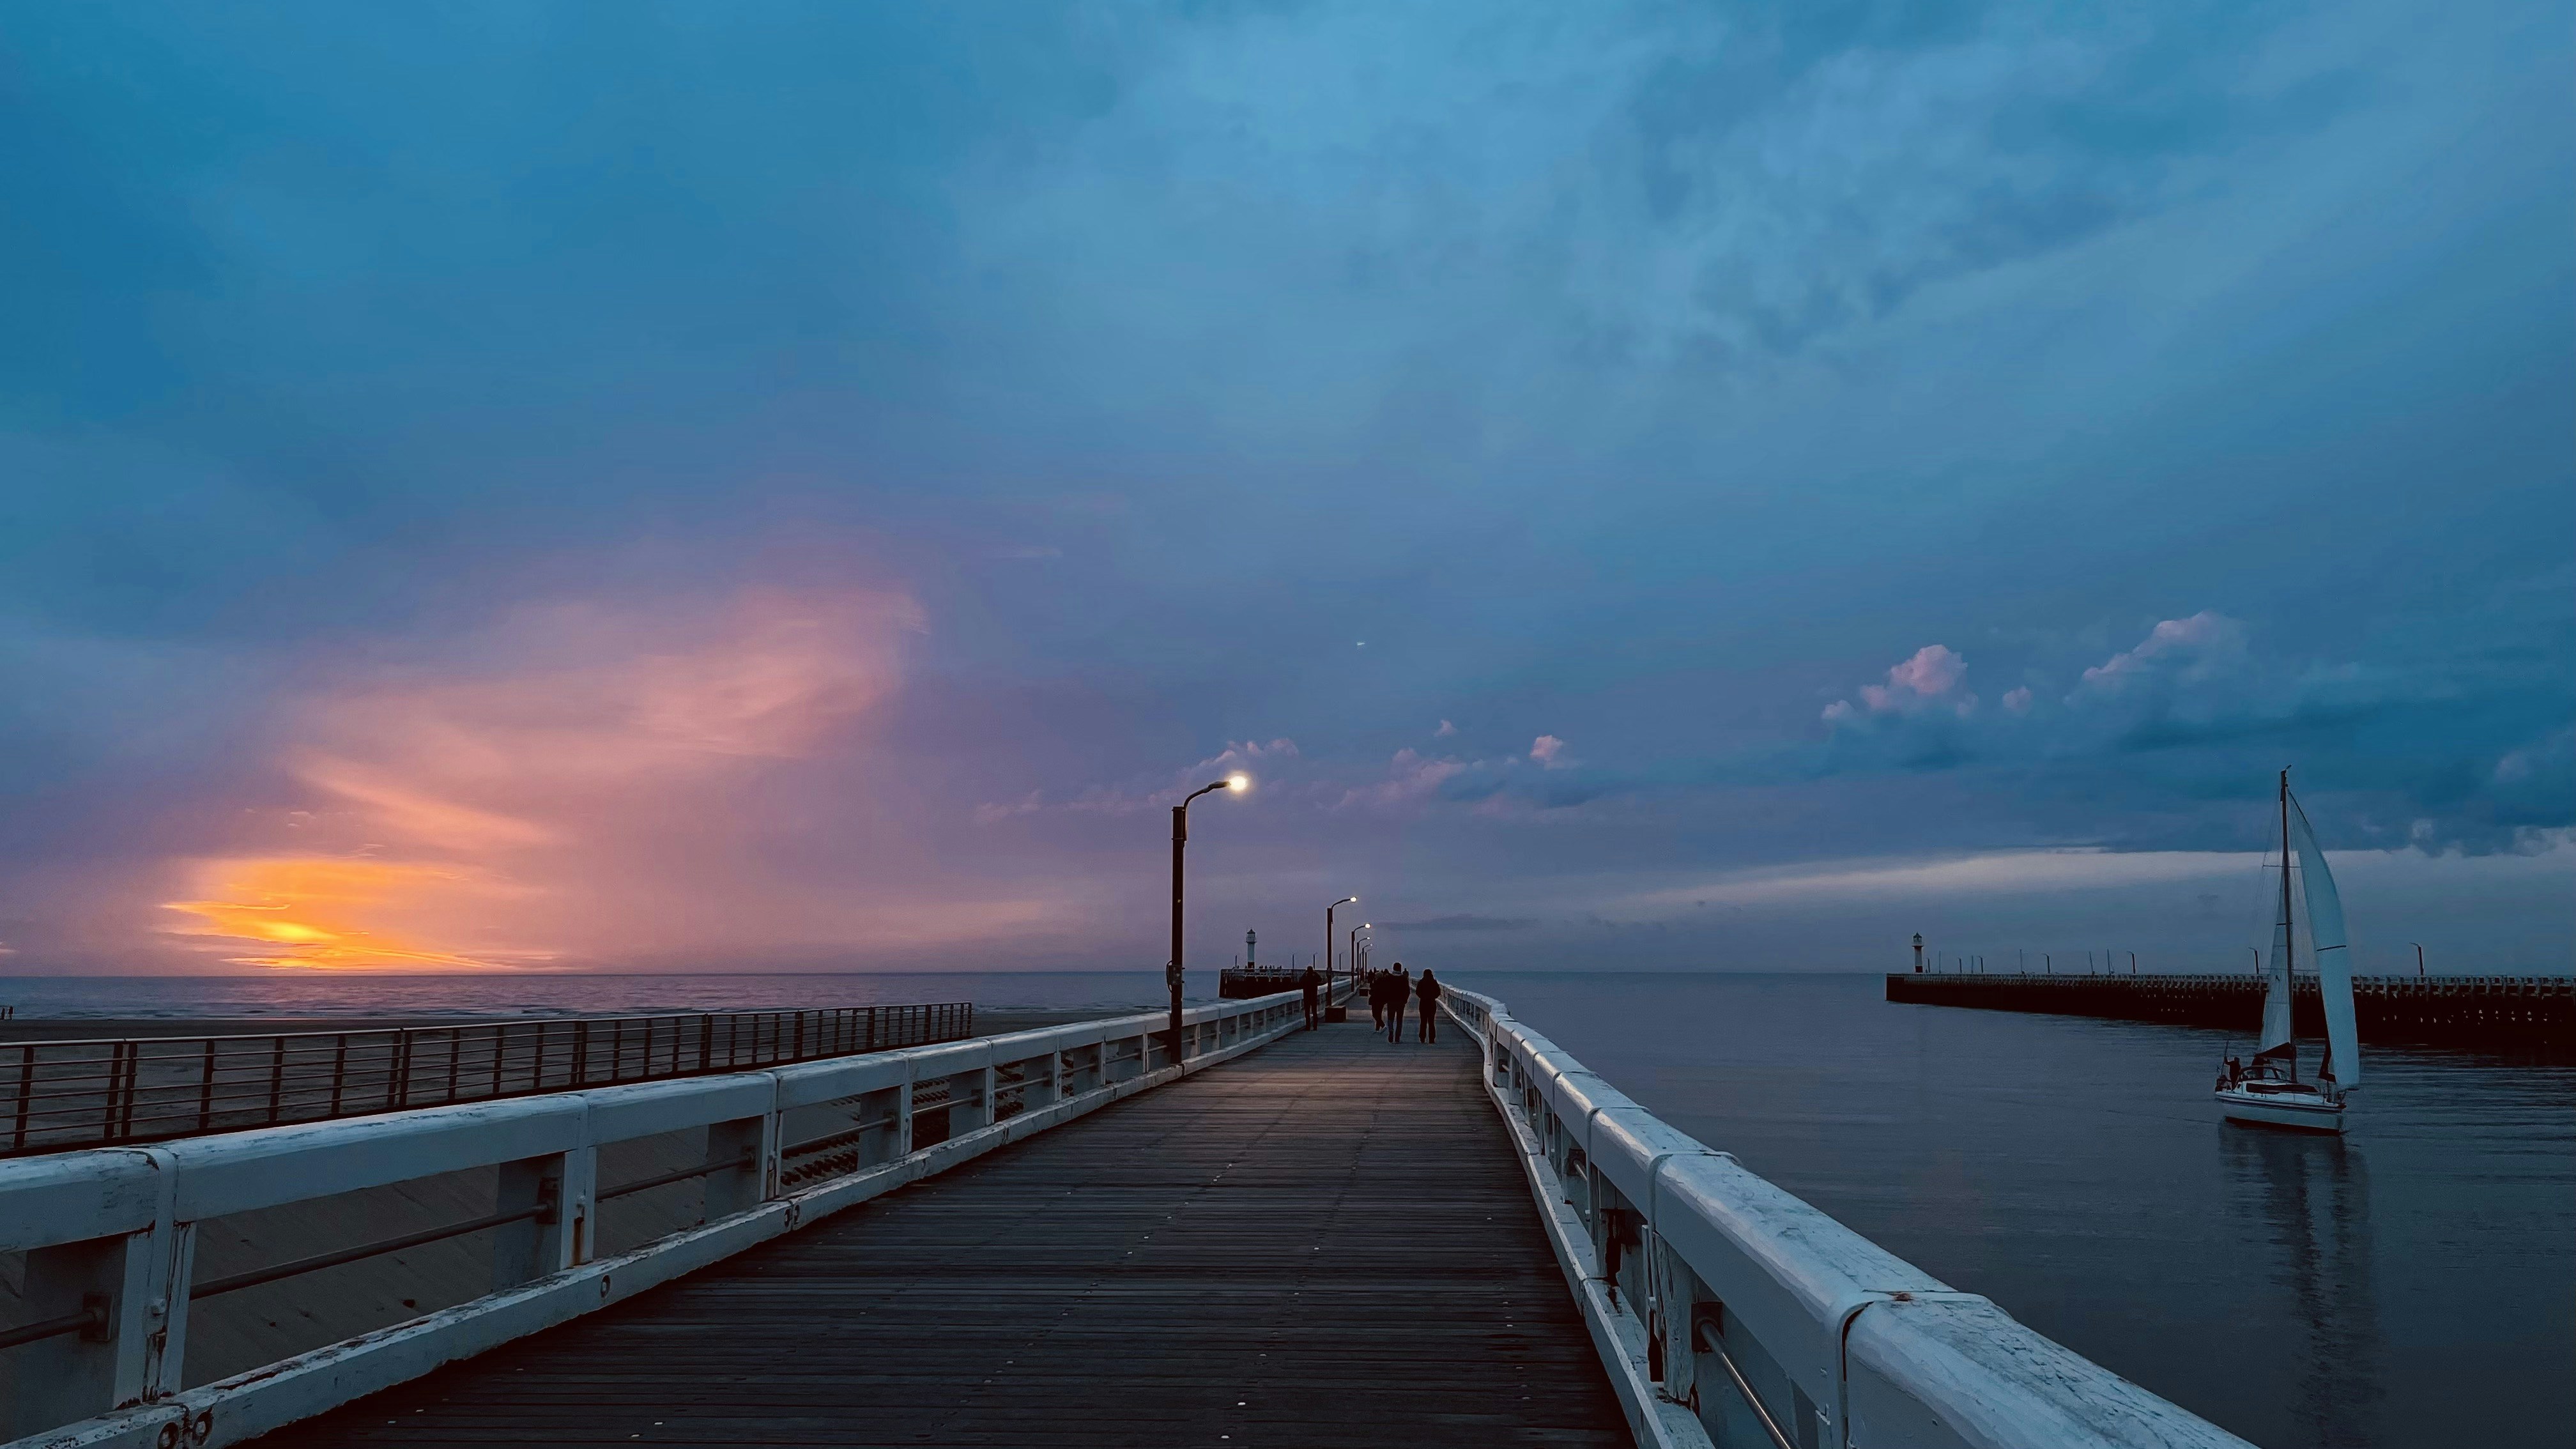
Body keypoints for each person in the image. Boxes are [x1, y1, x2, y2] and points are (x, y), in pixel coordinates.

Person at [1414, 969, 1442, 1043]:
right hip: (1432, 1003)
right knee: (1431, 1022)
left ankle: (1422, 1037)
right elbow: (1438, 992)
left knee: (1423, 1021)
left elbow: (1417, 992)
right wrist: (1433, 997)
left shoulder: (1421, 982)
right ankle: (1432, 1039)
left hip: (1423, 1003)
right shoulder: (1434, 982)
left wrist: (1422, 997)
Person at [1384, 965, 1409, 1043]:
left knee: (1390, 1018)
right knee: (1399, 1019)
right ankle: (1397, 1037)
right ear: (1400, 969)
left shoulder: (1389, 978)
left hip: (1391, 1002)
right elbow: (1407, 991)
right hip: (1401, 1002)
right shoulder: (1404, 979)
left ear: (1393, 968)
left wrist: (1386, 999)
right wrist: (1405, 1000)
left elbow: (1385, 990)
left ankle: (1391, 1030)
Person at [1300, 965, 1322, 1031]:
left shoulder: (1306, 977)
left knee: (1307, 1013)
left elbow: (1300, 980)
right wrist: (1315, 973)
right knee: (1314, 1012)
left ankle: (1308, 1027)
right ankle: (1315, 1027)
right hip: (1314, 996)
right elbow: (1320, 979)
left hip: (1307, 997)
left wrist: (1305, 973)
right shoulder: (1314, 977)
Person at [1367, 968, 1385, 1032]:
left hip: (1375, 1001)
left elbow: (1372, 992)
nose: (1374, 977)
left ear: (1377, 977)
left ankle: (1383, 1025)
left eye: (1375, 976)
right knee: (1379, 1015)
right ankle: (1377, 1029)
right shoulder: (1383, 983)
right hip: (1381, 1001)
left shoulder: (1376, 983)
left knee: (1375, 1015)